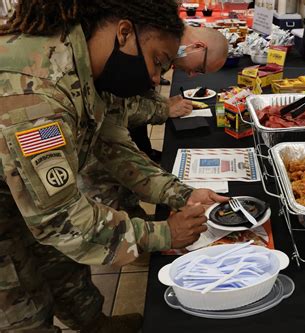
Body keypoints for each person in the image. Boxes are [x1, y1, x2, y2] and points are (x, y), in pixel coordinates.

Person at [0, 1, 227, 332]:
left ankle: (94, 325)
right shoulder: (37, 98)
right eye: (157, 61)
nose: (154, 77)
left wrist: (182, 194)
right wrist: (163, 232)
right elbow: (62, 221)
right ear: (124, 33)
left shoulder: (87, 64)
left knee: (62, 265)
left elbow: (115, 147)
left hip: (20, 188)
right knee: (21, 309)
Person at [129, 25, 229, 162]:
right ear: (198, 46)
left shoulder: (168, 42)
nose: (191, 75)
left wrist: (161, 101)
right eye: (198, 69)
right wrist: (163, 109)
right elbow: (114, 107)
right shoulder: (149, 38)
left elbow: (138, 90)